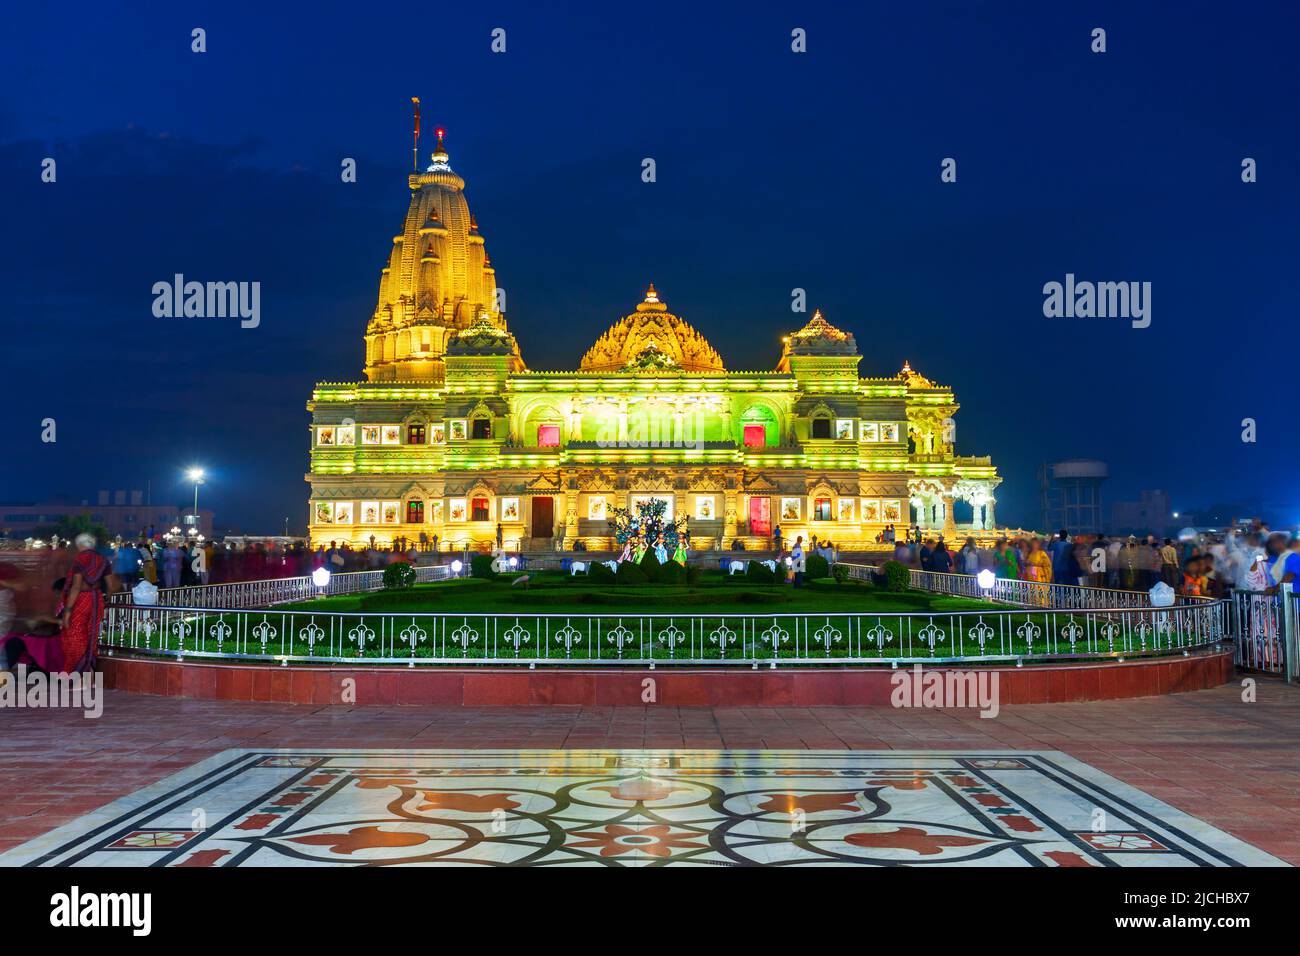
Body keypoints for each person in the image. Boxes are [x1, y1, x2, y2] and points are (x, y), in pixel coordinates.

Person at [58, 533, 120, 672]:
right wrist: (106, 599)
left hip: (81, 600)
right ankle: (89, 675)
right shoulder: (103, 560)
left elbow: (76, 586)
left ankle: (77, 675)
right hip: (96, 599)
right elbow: (111, 586)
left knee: (74, 634)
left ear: (80, 545)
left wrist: (67, 611)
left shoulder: (80, 559)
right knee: (92, 634)